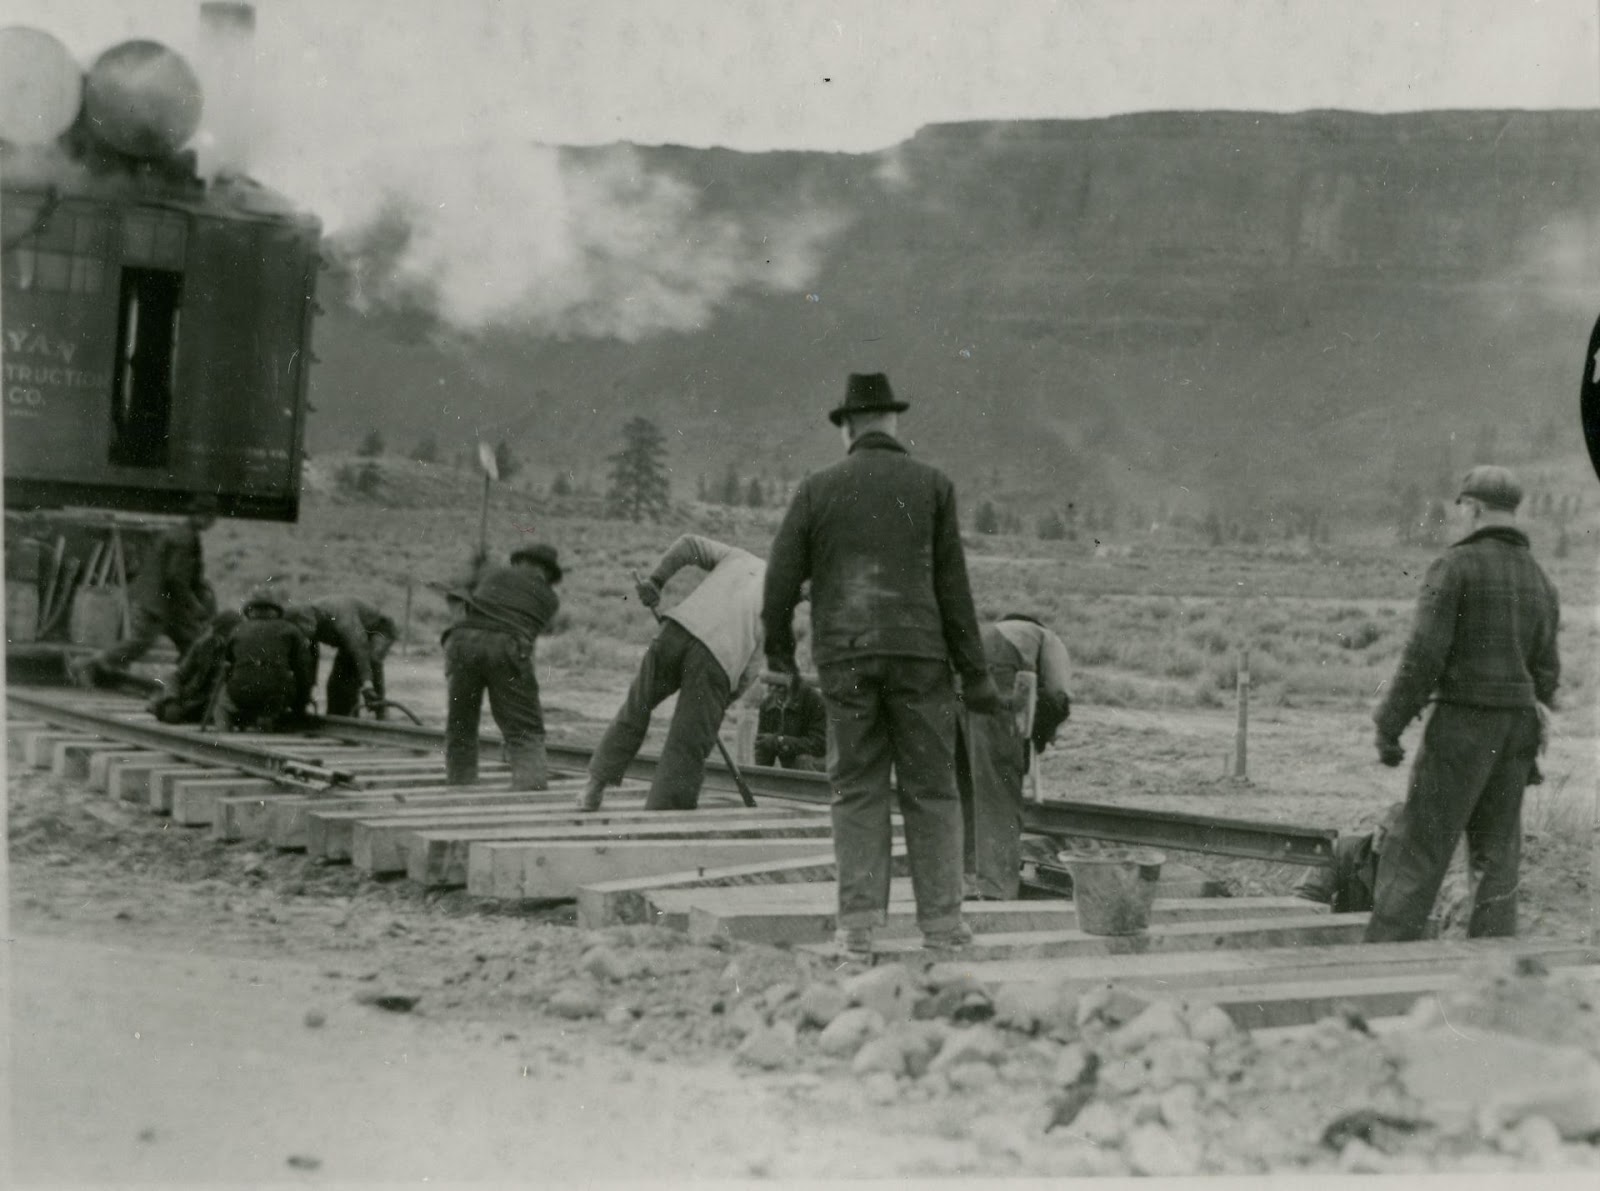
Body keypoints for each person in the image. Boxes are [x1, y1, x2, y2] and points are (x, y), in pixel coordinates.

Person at [763, 372, 1002, 958]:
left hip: (844, 656)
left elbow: (777, 584)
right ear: (893, 421)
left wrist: (779, 658)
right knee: (932, 789)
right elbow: (955, 591)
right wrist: (976, 675)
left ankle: (859, 928)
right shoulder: (932, 486)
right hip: (921, 658)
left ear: (846, 427)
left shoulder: (817, 489)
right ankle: (942, 926)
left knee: (856, 789)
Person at [1364, 465, 1560, 943]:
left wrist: (1388, 726)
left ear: (1472, 508)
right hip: (1516, 729)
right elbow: (1548, 675)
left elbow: (1422, 657)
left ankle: (1382, 971)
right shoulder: (1540, 580)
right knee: (1496, 861)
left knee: (1420, 848)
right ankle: (1490, 982)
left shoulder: (1455, 566)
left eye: (1461, 509)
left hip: (1462, 725)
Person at [580, 535, 767, 811]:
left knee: (636, 706)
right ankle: (664, 814)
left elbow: (689, 544)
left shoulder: (741, 557)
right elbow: (751, 670)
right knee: (688, 743)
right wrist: (721, 704)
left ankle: (593, 787)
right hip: (716, 661)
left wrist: (656, 581)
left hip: (676, 632)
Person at [956, 612, 1074, 901]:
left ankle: (967, 880)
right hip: (999, 675)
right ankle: (995, 888)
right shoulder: (1047, 638)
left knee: (966, 783)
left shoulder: (995, 630)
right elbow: (1059, 695)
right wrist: (1042, 736)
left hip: (957, 673)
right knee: (998, 785)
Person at [443, 543, 562, 790]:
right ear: (546, 572)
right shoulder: (550, 598)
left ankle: (460, 783)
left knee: (461, 720)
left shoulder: (493, 573)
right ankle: (530, 788)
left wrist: (476, 565)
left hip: (462, 641)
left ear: (519, 561)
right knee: (524, 725)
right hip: (507, 646)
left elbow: (456, 589)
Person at [70, 494, 217, 686]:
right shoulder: (184, 539)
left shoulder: (180, 533)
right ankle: (89, 663)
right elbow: (176, 578)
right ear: (202, 516)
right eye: (211, 518)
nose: (212, 523)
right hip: (161, 604)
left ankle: (187, 683)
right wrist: (194, 604)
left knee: (189, 642)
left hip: (164, 602)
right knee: (142, 644)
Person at [212, 589, 317, 731]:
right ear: (276, 610)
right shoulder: (290, 629)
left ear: (250, 610)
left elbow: (227, 667)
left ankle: (223, 733)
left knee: (222, 702)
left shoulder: (237, 629)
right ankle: (268, 717)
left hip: (241, 695)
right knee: (281, 684)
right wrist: (301, 704)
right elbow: (304, 671)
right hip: (278, 698)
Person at [297, 595, 398, 718]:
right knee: (337, 683)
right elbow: (311, 656)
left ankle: (381, 712)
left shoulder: (343, 619)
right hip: (350, 640)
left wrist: (367, 684)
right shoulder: (304, 618)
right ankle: (344, 717)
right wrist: (309, 686)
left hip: (379, 629)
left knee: (371, 661)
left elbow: (360, 649)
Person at [1293, 802, 1403, 913]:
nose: (1380, 837)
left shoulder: (1413, 868)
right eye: (1380, 828)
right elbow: (1307, 895)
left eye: (1389, 833)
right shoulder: (1344, 851)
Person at [147, 610, 241, 724]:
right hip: (197, 701)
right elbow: (177, 676)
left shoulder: (240, 650)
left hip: (221, 704)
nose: (221, 640)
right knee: (169, 713)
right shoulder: (202, 646)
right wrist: (172, 699)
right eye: (219, 635)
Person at [754, 674, 828, 771]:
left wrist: (779, 741)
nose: (776, 689)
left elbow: (819, 744)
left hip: (823, 762)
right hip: (792, 764)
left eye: (781, 686)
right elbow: (763, 748)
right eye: (772, 685)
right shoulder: (767, 705)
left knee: (803, 760)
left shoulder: (815, 700)